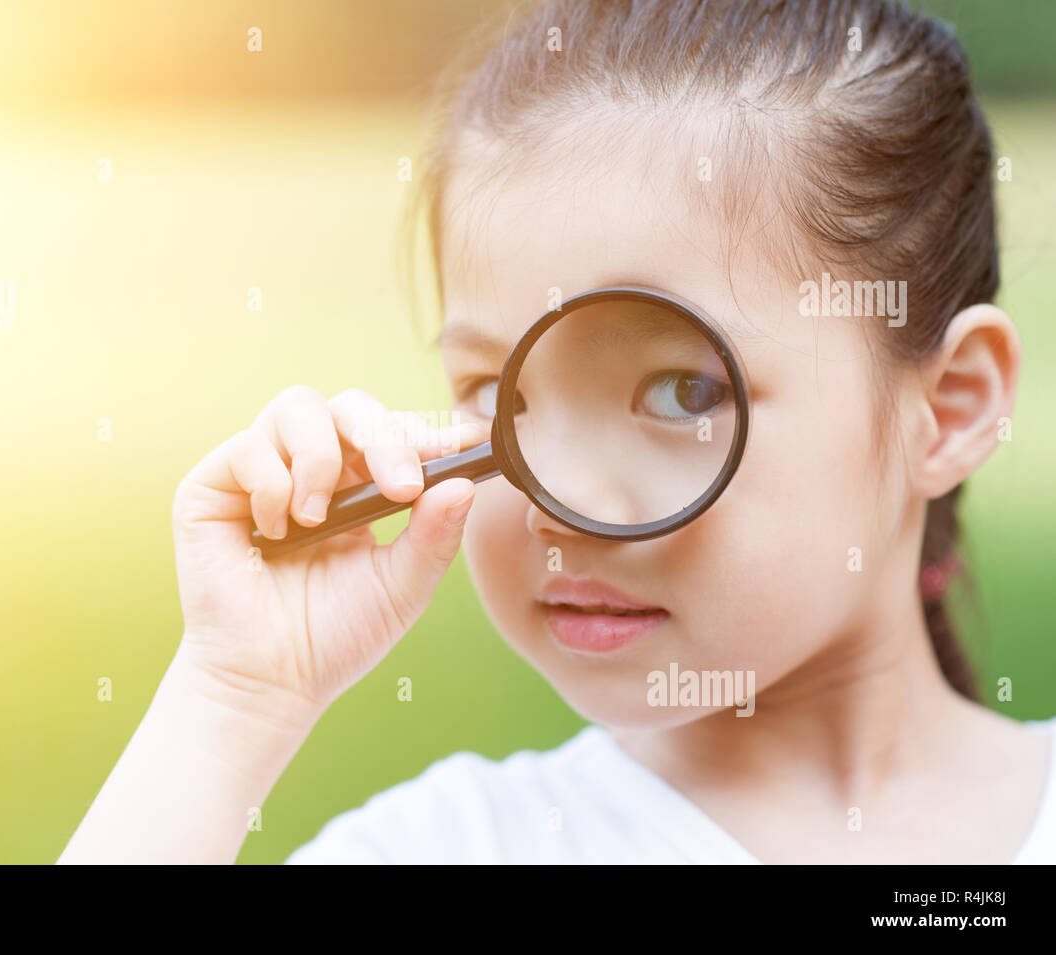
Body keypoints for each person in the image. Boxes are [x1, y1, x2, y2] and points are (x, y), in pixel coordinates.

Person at [58, 0, 1055, 864]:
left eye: (682, 393)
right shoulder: (449, 847)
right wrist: (233, 698)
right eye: (500, 395)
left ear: (952, 407)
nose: (555, 500)